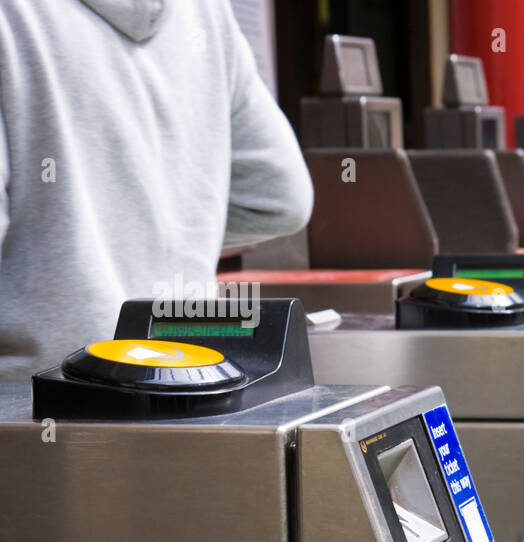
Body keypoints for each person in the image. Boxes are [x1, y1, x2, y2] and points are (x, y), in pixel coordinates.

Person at [0, 0, 314, 381]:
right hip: (191, 391)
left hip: (34, 410)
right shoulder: (203, 12)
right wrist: (149, 224)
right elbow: (280, 200)